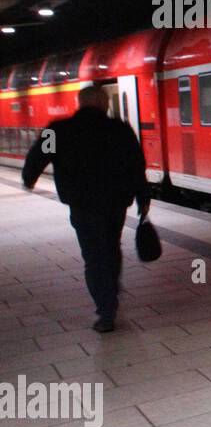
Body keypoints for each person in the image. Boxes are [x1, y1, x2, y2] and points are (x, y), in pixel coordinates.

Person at [22, 85, 150, 333]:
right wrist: (143, 197)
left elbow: (38, 156)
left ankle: (106, 311)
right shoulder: (120, 129)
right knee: (112, 248)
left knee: (93, 256)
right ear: (103, 103)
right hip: (115, 203)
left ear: (80, 103)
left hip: (82, 204)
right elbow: (137, 165)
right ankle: (111, 292)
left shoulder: (58, 130)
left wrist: (29, 178)